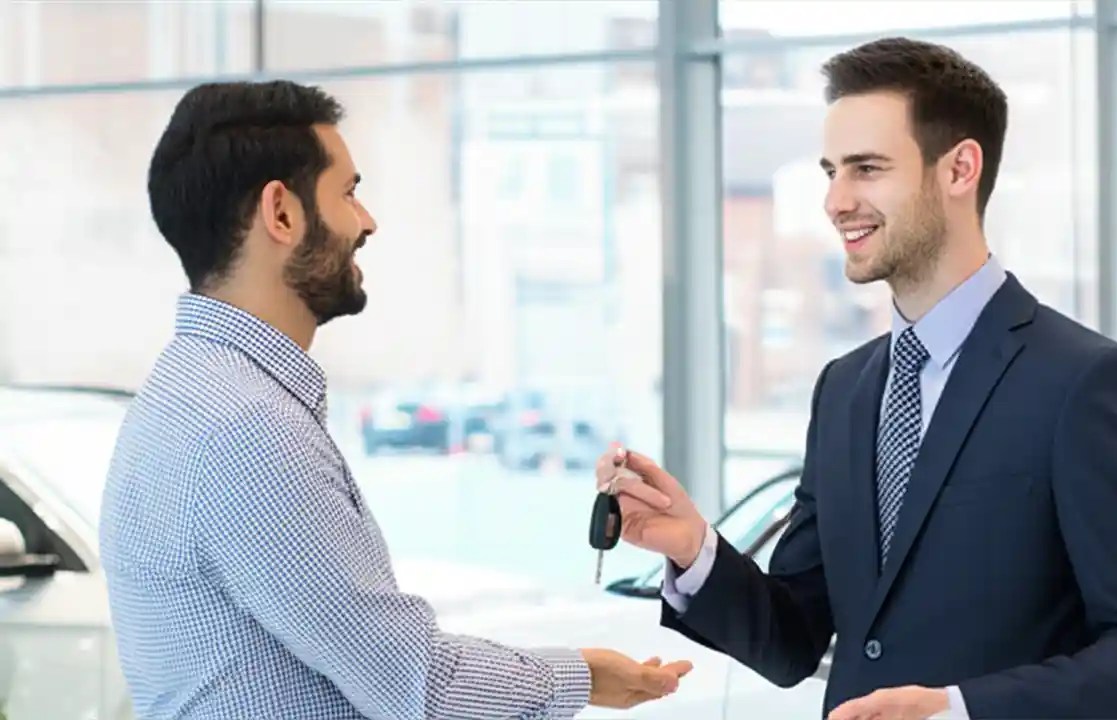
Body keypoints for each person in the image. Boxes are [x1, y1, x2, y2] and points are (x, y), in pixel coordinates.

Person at [597, 37, 1117, 720]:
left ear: (960, 169)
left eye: (866, 169)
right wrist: (693, 547)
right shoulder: (844, 390)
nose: (835, 201)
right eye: (831, 171)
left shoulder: (1083, 382)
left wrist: (958, 709)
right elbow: (795, 638)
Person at [98, 80, 691, 720]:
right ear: (281, 213)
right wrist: (580, 675)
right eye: (347, 193)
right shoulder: (248, 429)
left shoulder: (182, 390)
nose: (367, 222)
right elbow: (415, 685)